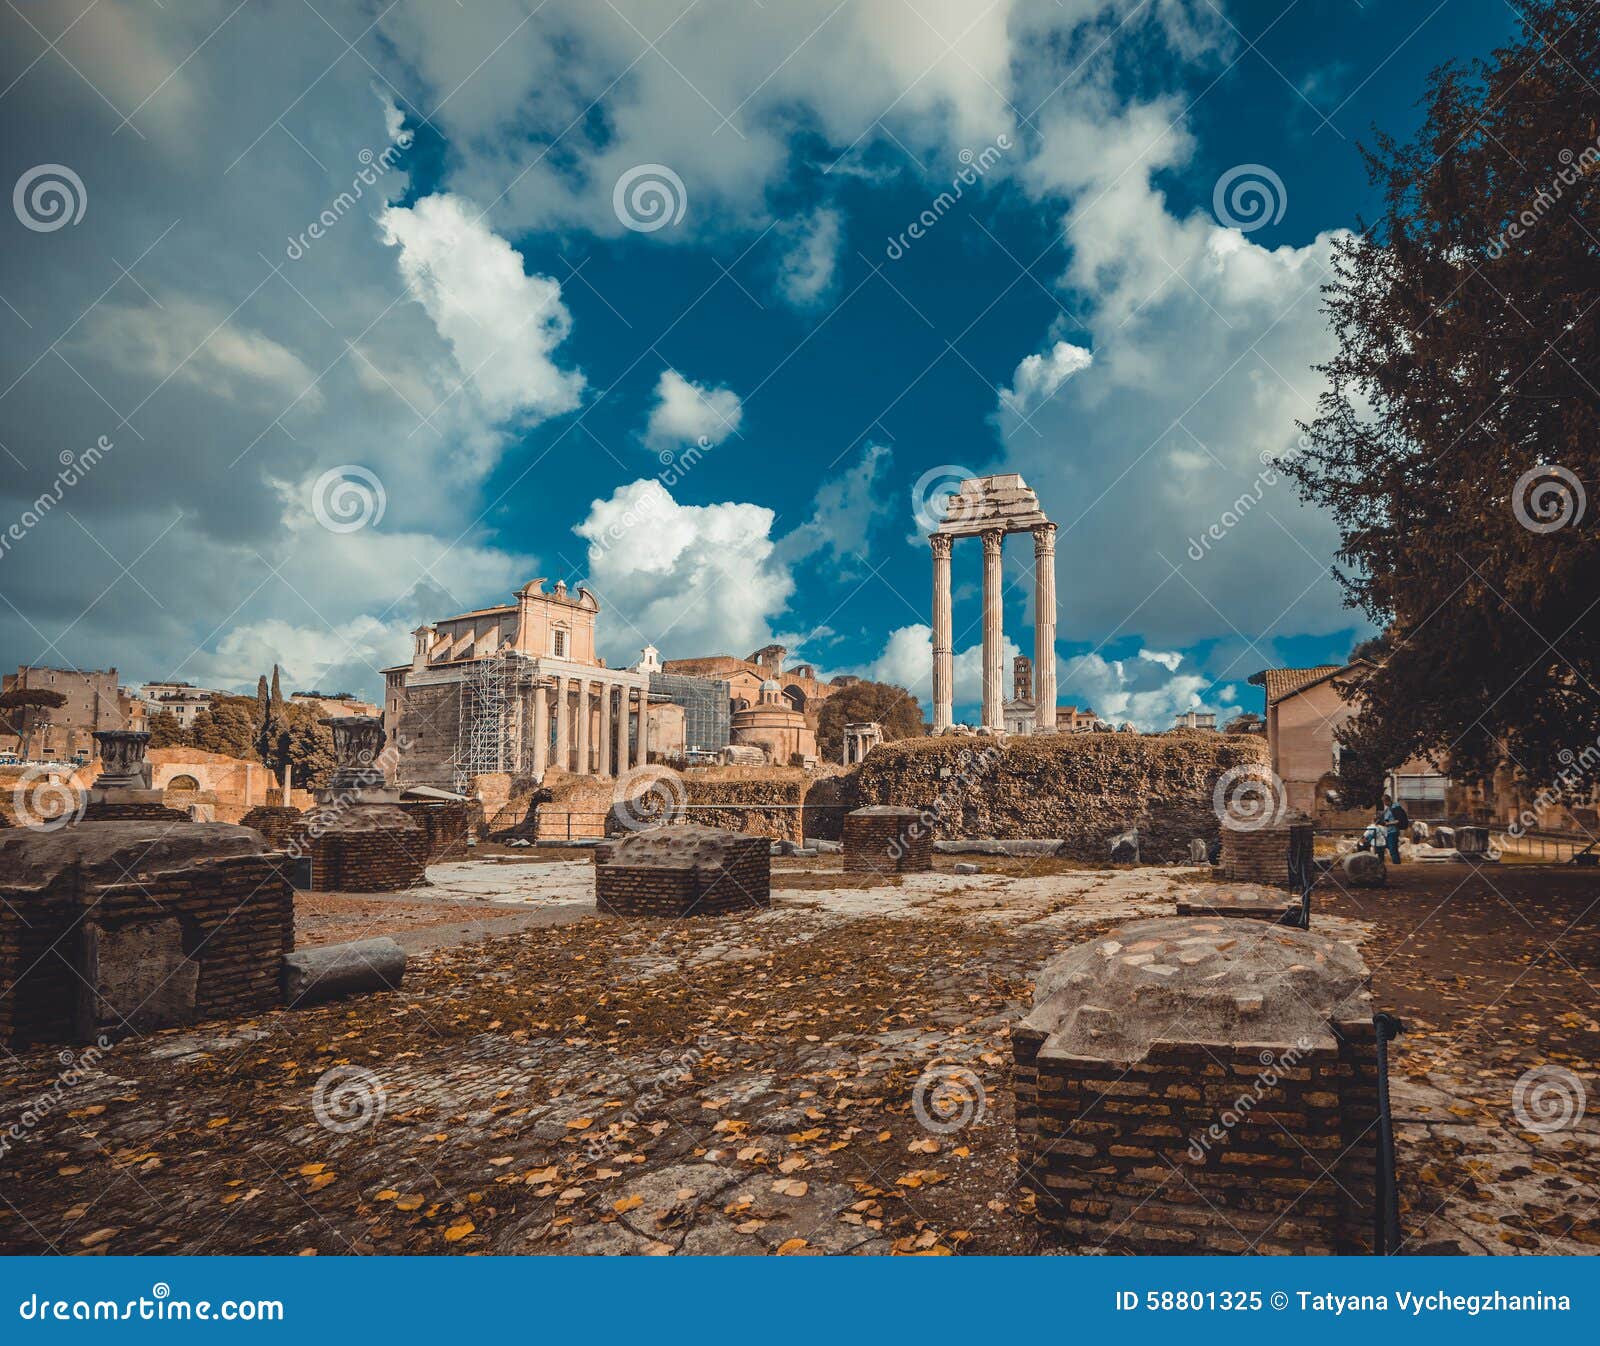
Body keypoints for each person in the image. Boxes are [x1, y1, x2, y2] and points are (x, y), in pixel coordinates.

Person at [1379, 793, 1409, 864]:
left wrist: (1387, 824)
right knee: (1389, 847)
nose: (1384, 804)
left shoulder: (1396, 808)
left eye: (1384, 802)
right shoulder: (1388, 809)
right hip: (1388, 831)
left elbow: (1399, 820)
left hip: (1393, 831)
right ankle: (1396, 862)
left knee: (1393, 849)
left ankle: (1396, 864)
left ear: (1387, 801)